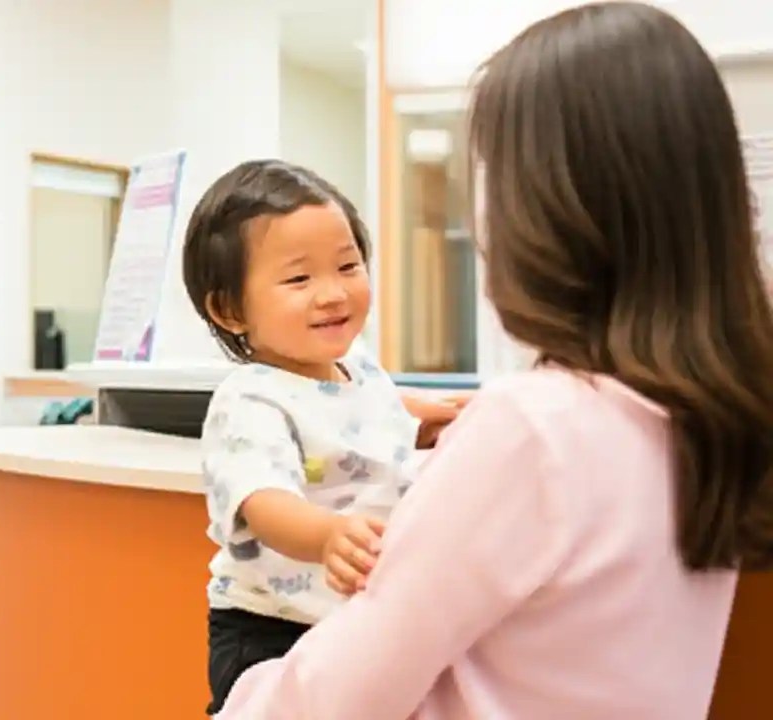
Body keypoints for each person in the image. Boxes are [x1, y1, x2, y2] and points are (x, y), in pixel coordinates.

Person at [215, 3, 773, 718]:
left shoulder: (536, 430)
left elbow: (328, 700)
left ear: (547, 206)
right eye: (297, 279)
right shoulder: (713, 411)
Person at [181, 159, 465, 715]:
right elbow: (264, 503)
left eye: (347, 266)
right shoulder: (250, 400)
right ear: (229, 308)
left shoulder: (357, 370)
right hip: (271, 632)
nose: (333, 293)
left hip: (351, 622)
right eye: (298, 279)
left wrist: (437, 419)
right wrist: (327, 535)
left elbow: (376, 418)